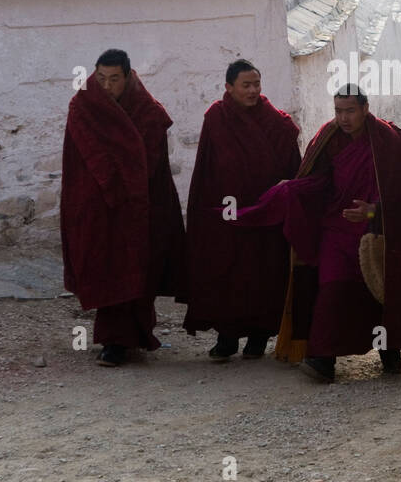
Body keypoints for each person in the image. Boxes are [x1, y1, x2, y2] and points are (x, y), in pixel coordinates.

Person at [232, 85, 401, 383]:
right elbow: (318, 179)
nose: (343, 119)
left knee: (377, 291)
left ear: (365, 109)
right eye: (338, 111)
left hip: (374, 230)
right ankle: (323, 359)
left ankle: (390, 353)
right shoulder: (328, 136)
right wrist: (290, 192)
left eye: (349, 111)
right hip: (336, 227)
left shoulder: (386, 139)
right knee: (333, 289)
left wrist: (374, 211)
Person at [60, 49, 187, 366]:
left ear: (128, 77)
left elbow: (150, 160)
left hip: (140, 204)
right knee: (108, 268)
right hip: (100, 205)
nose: (106, 86)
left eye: (114, 79)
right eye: (101, 78)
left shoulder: (147, 111)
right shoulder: (83, 107)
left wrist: (132, 189)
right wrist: (104, 189)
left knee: (140, 270)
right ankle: (113, 341)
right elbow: (83, 159)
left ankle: (138, 334)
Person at [182, 59, 302, 361]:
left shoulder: (278, 123)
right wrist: (204, 211)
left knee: (263, 274)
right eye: (245, 85)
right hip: (228, 212)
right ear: (229, 88)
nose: (252, 90)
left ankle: (259, 337)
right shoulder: (217, 118)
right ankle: (227, 338)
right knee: (228, 273)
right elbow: (206, 168)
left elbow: (292, 169)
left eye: (256, 84)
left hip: (266, 214)